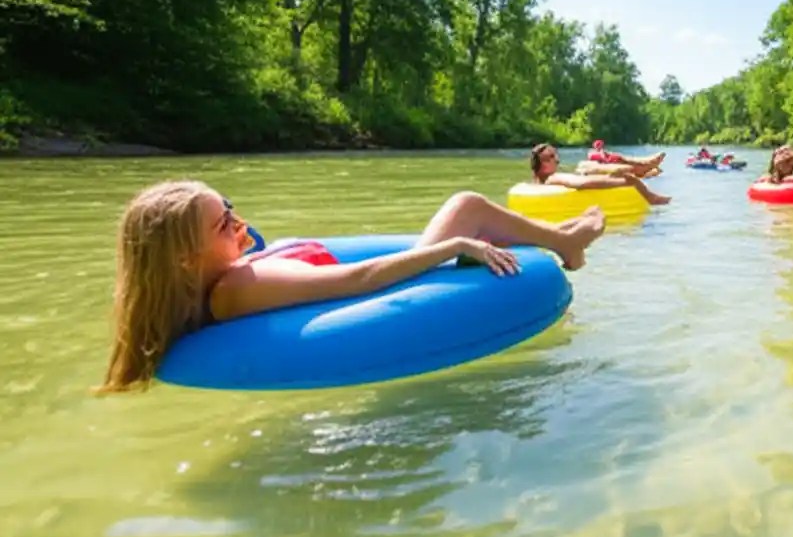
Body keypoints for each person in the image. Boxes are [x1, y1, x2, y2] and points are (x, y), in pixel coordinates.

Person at [97, 180, 607, 394]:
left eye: (230, 209)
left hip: (371, 291)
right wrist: (452, 248)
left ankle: (564, 238)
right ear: (186, 259)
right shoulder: (237, 286)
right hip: (386, 299)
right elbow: (357, 279)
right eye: (223, 224)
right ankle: (567, 244)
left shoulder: (230, 278)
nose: (240, 223)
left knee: (469, 213)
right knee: (466, 208)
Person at [532, 143, 671, 205]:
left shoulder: (546, 178)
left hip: (589, 174)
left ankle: (642, 168)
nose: (556, 159)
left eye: (555, 154)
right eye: (550, 157)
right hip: (594, 179)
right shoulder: (553, 177)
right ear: (540, 166)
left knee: (585, 164)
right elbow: (581, 184)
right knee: (586, 166)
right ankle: (641, 168)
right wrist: (628, 181)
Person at [586, 139, 665, 176]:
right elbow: (601, 156)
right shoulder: (594, 153)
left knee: (622, 158)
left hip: (614, 161)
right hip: (613, 163)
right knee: (623, 159)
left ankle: (647, 166)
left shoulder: (597, 152)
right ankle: (646, 166)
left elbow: (602, 155)